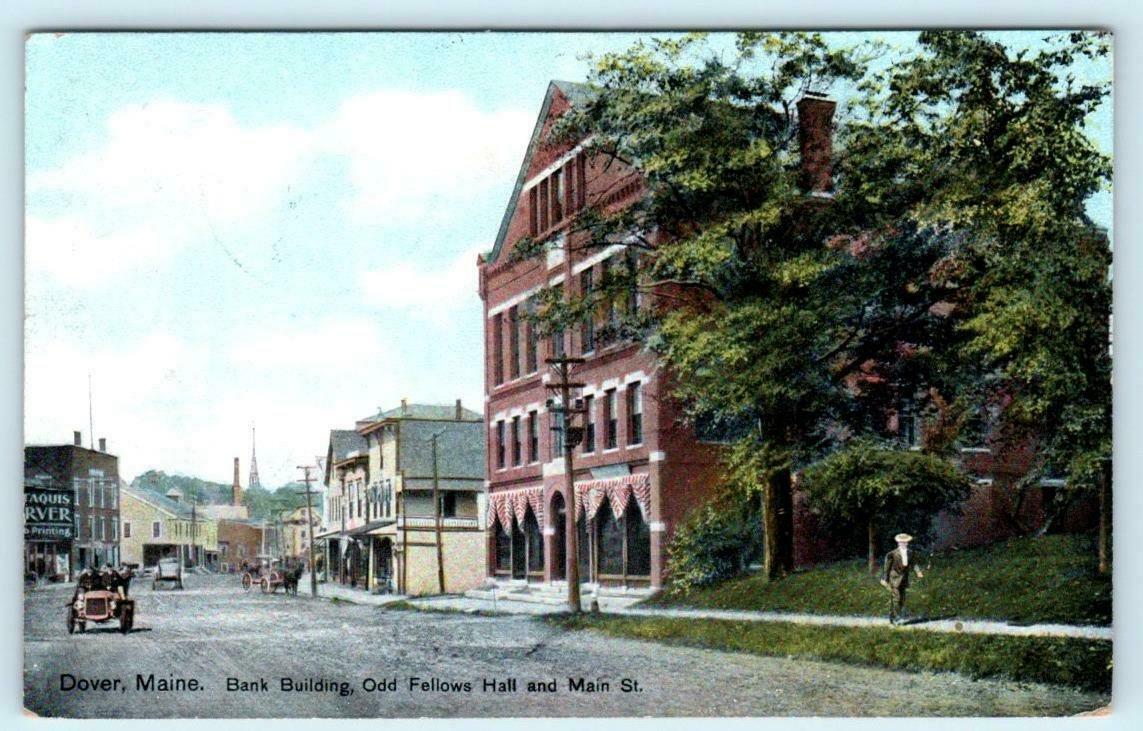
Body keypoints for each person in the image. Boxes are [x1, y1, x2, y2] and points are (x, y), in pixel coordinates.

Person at [881, 532, 924, 625]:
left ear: (907, 543)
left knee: (902, 598)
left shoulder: (910, 553)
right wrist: (884, 579)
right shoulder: (892, 554)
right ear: (898, 543)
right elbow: (887, 567)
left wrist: (918, 572)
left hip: (904, 578)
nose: (904, 544)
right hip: (894, 578)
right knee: (896, 597)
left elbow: (913, 564)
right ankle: (896, 618)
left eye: (905, 542)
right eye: (901, 542)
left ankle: (893, 616)